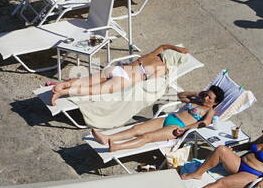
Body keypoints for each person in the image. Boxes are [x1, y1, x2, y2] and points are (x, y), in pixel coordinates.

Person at [47, 44, 190, 104]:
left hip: (119, 69)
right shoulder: (164, 69)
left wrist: (175, 47)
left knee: (87, 80)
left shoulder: (153, 55)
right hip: (125, 80)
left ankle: (63, 84)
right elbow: (152, 84)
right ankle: (62, 92)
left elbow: (163, 46)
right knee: (91, 90)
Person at [91, 87, 224, 151]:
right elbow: (180, 96)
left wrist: (185, 129)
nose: (206, 98)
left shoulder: (210, 110)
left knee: (146, 137)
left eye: (209, 98)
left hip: (177, 127)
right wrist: (196, 93)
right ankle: (107, 138)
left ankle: (117, 147)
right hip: (169, 118)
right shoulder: (196, 100)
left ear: (215, 103)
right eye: (206, 95)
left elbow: (203, 123)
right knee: (136, 129)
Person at [181, 120, 263, 188]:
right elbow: (250, 145)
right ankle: (197, 173)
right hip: (239, 163)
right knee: (221, 149)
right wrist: (233, 148)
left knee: (222, 182)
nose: (262, 131)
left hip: (251, 174)